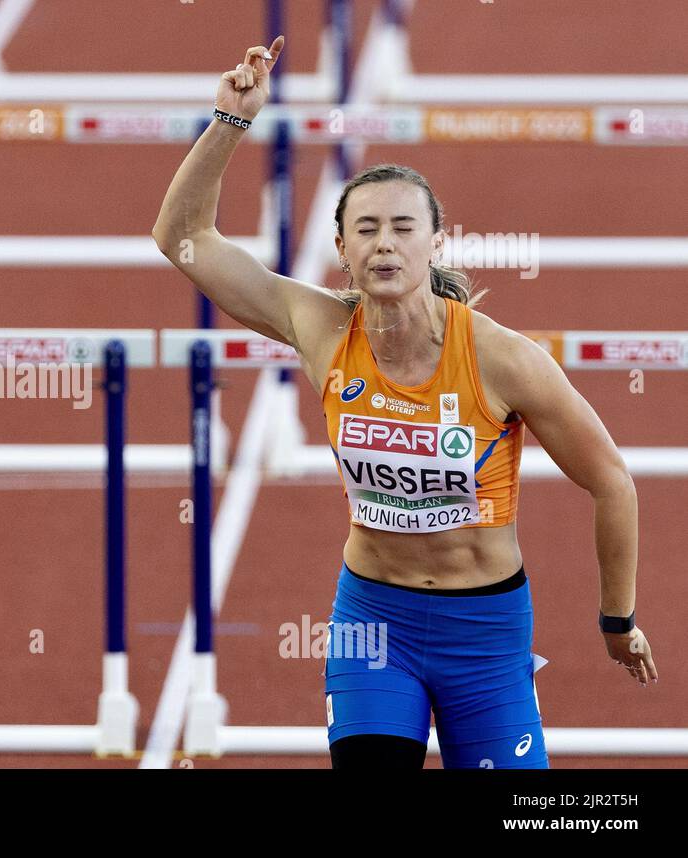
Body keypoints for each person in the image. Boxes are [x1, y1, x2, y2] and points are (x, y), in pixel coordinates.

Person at [152, 37, 656, 769]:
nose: (384, 245)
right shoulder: (321, 327)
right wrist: (230, 121)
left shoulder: (502, 358)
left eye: (402, 228)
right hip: (373, 619)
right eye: (366, 229)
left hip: (485, 633)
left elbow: (610, 476)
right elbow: (184, 237)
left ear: (436, 243)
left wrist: (618, 618)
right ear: (342, 249)